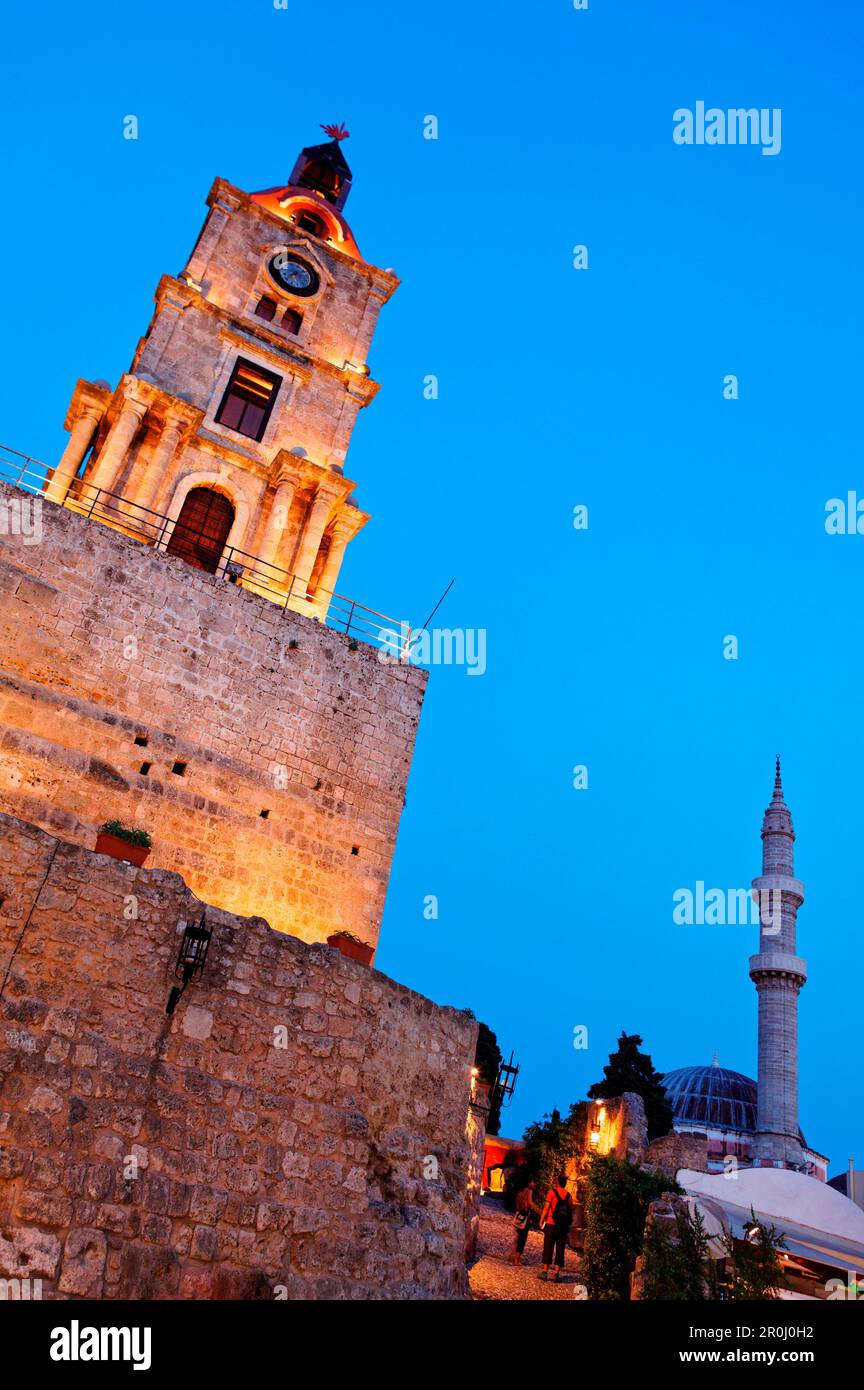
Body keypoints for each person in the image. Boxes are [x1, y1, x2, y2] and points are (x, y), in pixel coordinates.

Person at [539, 1171, 573, 1282]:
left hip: (551, 1223)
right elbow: (570, 1209)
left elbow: (546, 1208)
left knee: (548, 1247)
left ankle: (545, 1273)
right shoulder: (568, 1196)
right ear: (565, 1183)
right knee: (560, 1249)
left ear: (557, 1182)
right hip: (562, 1226)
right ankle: (557, 1274)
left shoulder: (552, 1192)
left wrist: (541, 1219)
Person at [510, 1178, 539, 1265]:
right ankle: (516, 1260)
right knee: (522, 1239)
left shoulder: (521, 1191)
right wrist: (540, 1211)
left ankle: (514, 1257)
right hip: (525, 1219)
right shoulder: (529, 1191)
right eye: (534, 1182)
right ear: (529, 1182)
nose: (535, 1184)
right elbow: (530, 1203)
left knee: (518, 1238)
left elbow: (517, 1204)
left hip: (519, 1216)